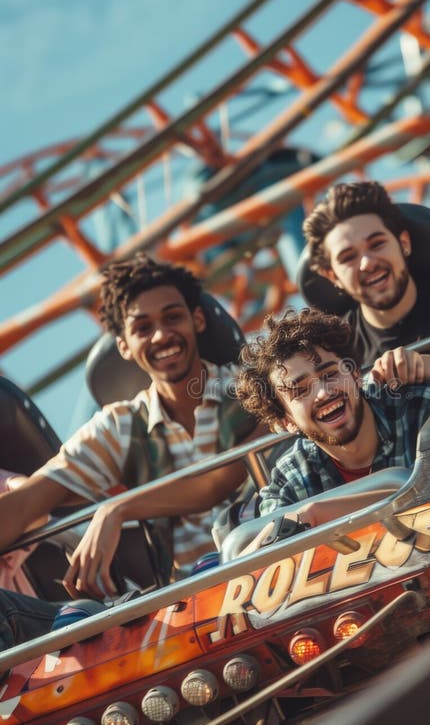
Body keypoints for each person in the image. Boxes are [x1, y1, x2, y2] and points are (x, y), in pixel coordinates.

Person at [0, 253, 257, 649]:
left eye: (173, 317)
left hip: (273, 562)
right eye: (143, 327)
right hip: (190, 609)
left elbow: (222, 479)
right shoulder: (121, 425)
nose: (160, 336)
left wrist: (119, 508)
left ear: (198, 321)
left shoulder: (249, 386)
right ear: (123, 345)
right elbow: (27, 504)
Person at [234, 309, 430, 550]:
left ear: (354, 374)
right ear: (286, 421)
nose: (323, 393)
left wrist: (320, 513)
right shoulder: (290, 480)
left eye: (329, 374)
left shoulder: (419, 409)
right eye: (301, 391)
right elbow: (267, 562)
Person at [303, 181, 430, 386]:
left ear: (403, 243)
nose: (367, 263)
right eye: (348, 257)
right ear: (333, 276)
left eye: (377, 244)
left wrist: (419, 365)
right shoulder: (337, 350)